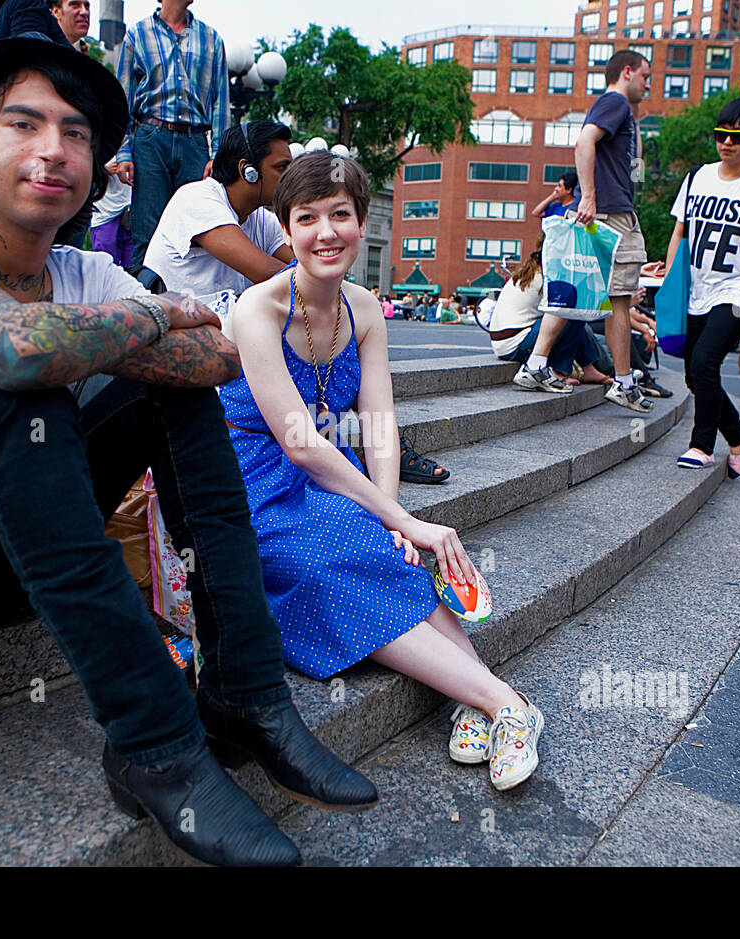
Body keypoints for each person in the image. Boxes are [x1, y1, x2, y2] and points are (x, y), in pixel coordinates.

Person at [0, 33, 375, 868]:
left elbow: (219, 356)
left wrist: (59, 341)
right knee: (17, 388)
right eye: (23, 125)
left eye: (76, 134)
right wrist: (138, 320)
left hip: (10, 560)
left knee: (155, 387)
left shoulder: (81, 273)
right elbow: (17, 351)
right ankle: (155, 744)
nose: (53, 151)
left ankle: (245, 693)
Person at [220, 151, 545, 792]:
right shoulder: (255, 311)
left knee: (386, 547)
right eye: (306, 217)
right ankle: (508, 703)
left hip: (325, 474)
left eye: (340, 214)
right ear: (286, 230)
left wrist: (393, 516)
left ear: (362, 222)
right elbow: (301, 443)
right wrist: (400, 517)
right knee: (323, 560)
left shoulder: (366, 309)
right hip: (251, 483)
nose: (325, 232)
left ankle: (476, 698)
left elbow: (378, 424)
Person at [663, 99, 740, 479]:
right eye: (721, 134)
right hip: (697, 288)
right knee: (693, 374)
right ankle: (737, 434)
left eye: (736, 136)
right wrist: (670, 280)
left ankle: (702, 446)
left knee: (704, 364)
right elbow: (680, 232)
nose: (726, 143)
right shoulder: (697, 177)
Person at [115, 0, 231, 265]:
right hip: (151, 138)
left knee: (195, 232)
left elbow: (221, 103)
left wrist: (219, 155)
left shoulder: (212, 39)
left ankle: (189, 302)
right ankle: (143, 301)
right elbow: (124, 98)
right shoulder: (137, 34)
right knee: (147, 232)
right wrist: (124, 152)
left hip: (196, 143)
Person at [572, 49, 655, 413]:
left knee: (582, 293)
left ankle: (539, 362)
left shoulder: (614, 107)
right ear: (627, 72)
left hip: (606, 210)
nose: (648, 85)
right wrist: (588, 197)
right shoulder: (616, 103)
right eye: (645, 76)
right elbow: (584, 141)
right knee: (619, 298)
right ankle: (623, 381)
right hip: (610, 213)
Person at [144, 121, 294, 297]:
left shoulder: (261, 219)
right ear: (247, 170)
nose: (289, 177)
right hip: (174, 320)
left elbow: (302, 263)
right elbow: (268, 272)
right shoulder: (197, 198)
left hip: (218, 321)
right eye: (282, 168)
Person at [487, 233, 610, 393]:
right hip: (515, 344)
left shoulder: (532, 271)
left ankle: (588, 369)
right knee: (571, 309)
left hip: (505, 342)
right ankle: (559, 370)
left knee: (573, 313)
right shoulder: (547, 277)